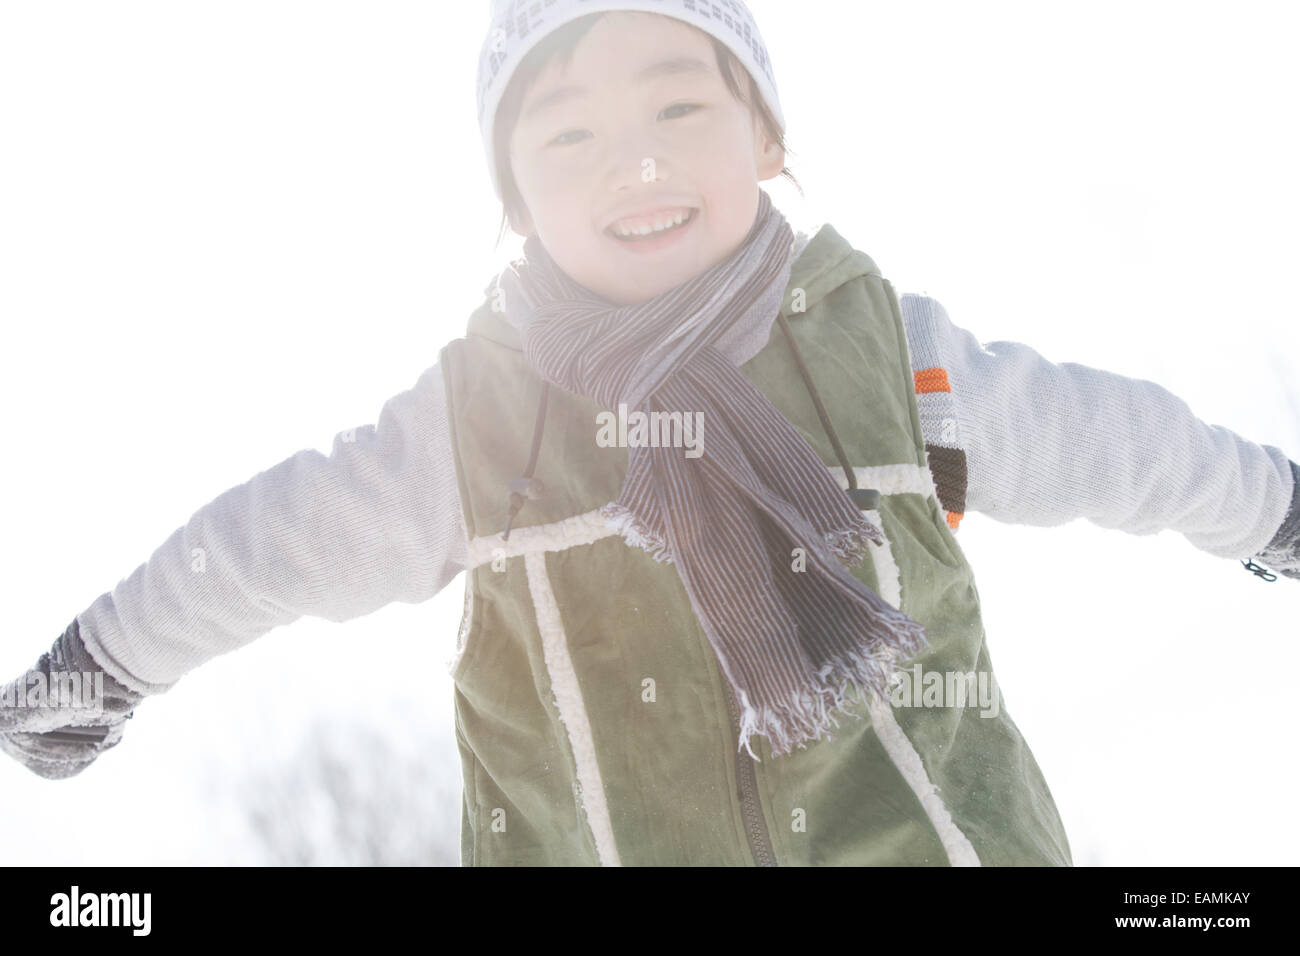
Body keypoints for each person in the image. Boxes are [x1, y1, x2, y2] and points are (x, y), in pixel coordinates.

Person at [2, 0, 1297, 866]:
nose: (635, 165)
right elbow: (274, 543)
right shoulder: (480, 429)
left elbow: (1119, 445)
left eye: (679, 111)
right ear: (511, 203)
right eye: (569, 136)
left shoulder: (883, 361)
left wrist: (1274, 510)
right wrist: (103, 660)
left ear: (769, 138)